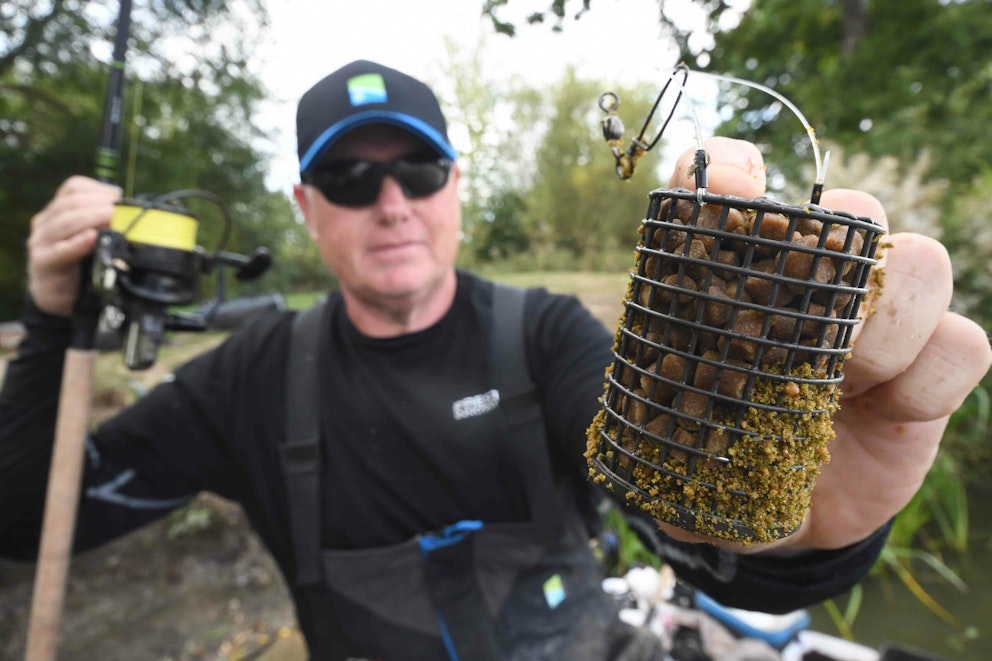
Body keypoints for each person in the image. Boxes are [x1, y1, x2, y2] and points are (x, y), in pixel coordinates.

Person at [1, 59, 989, 660]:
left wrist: (806, 540)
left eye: (416, 169)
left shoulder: (548, 337)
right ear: (305, 207)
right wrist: (53, 327)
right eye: (348, 177)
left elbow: (690, 535)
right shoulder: (243, 377)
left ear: (454, 186)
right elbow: (23, 521)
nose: (389, 200)